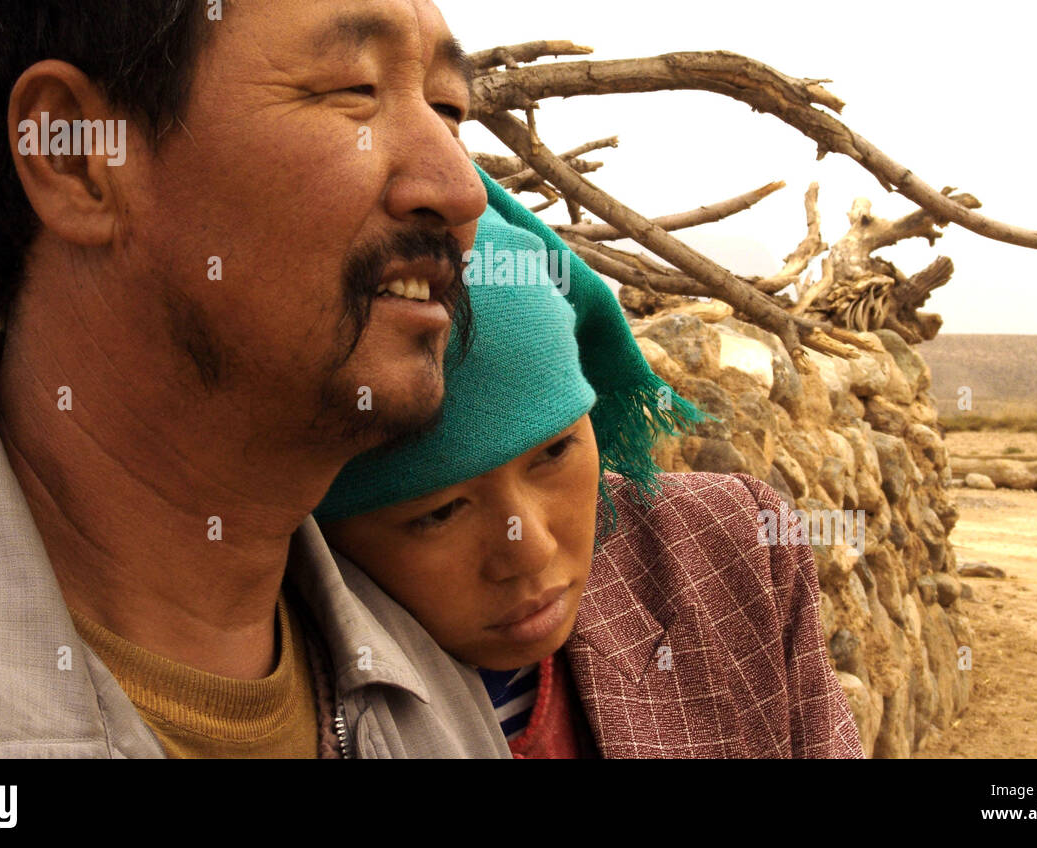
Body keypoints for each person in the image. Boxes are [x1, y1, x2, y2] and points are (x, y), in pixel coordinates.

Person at [0, 0, 513, 758]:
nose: (460, 190)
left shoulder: (437, 711)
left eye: (450, 109)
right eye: (354, 93)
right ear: (78, 158)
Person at [317, 170, 867, 758]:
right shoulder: (277, 676)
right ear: (323, 521)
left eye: (555, 451)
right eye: (438, 511)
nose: (529, 549)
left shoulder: (730, 551)